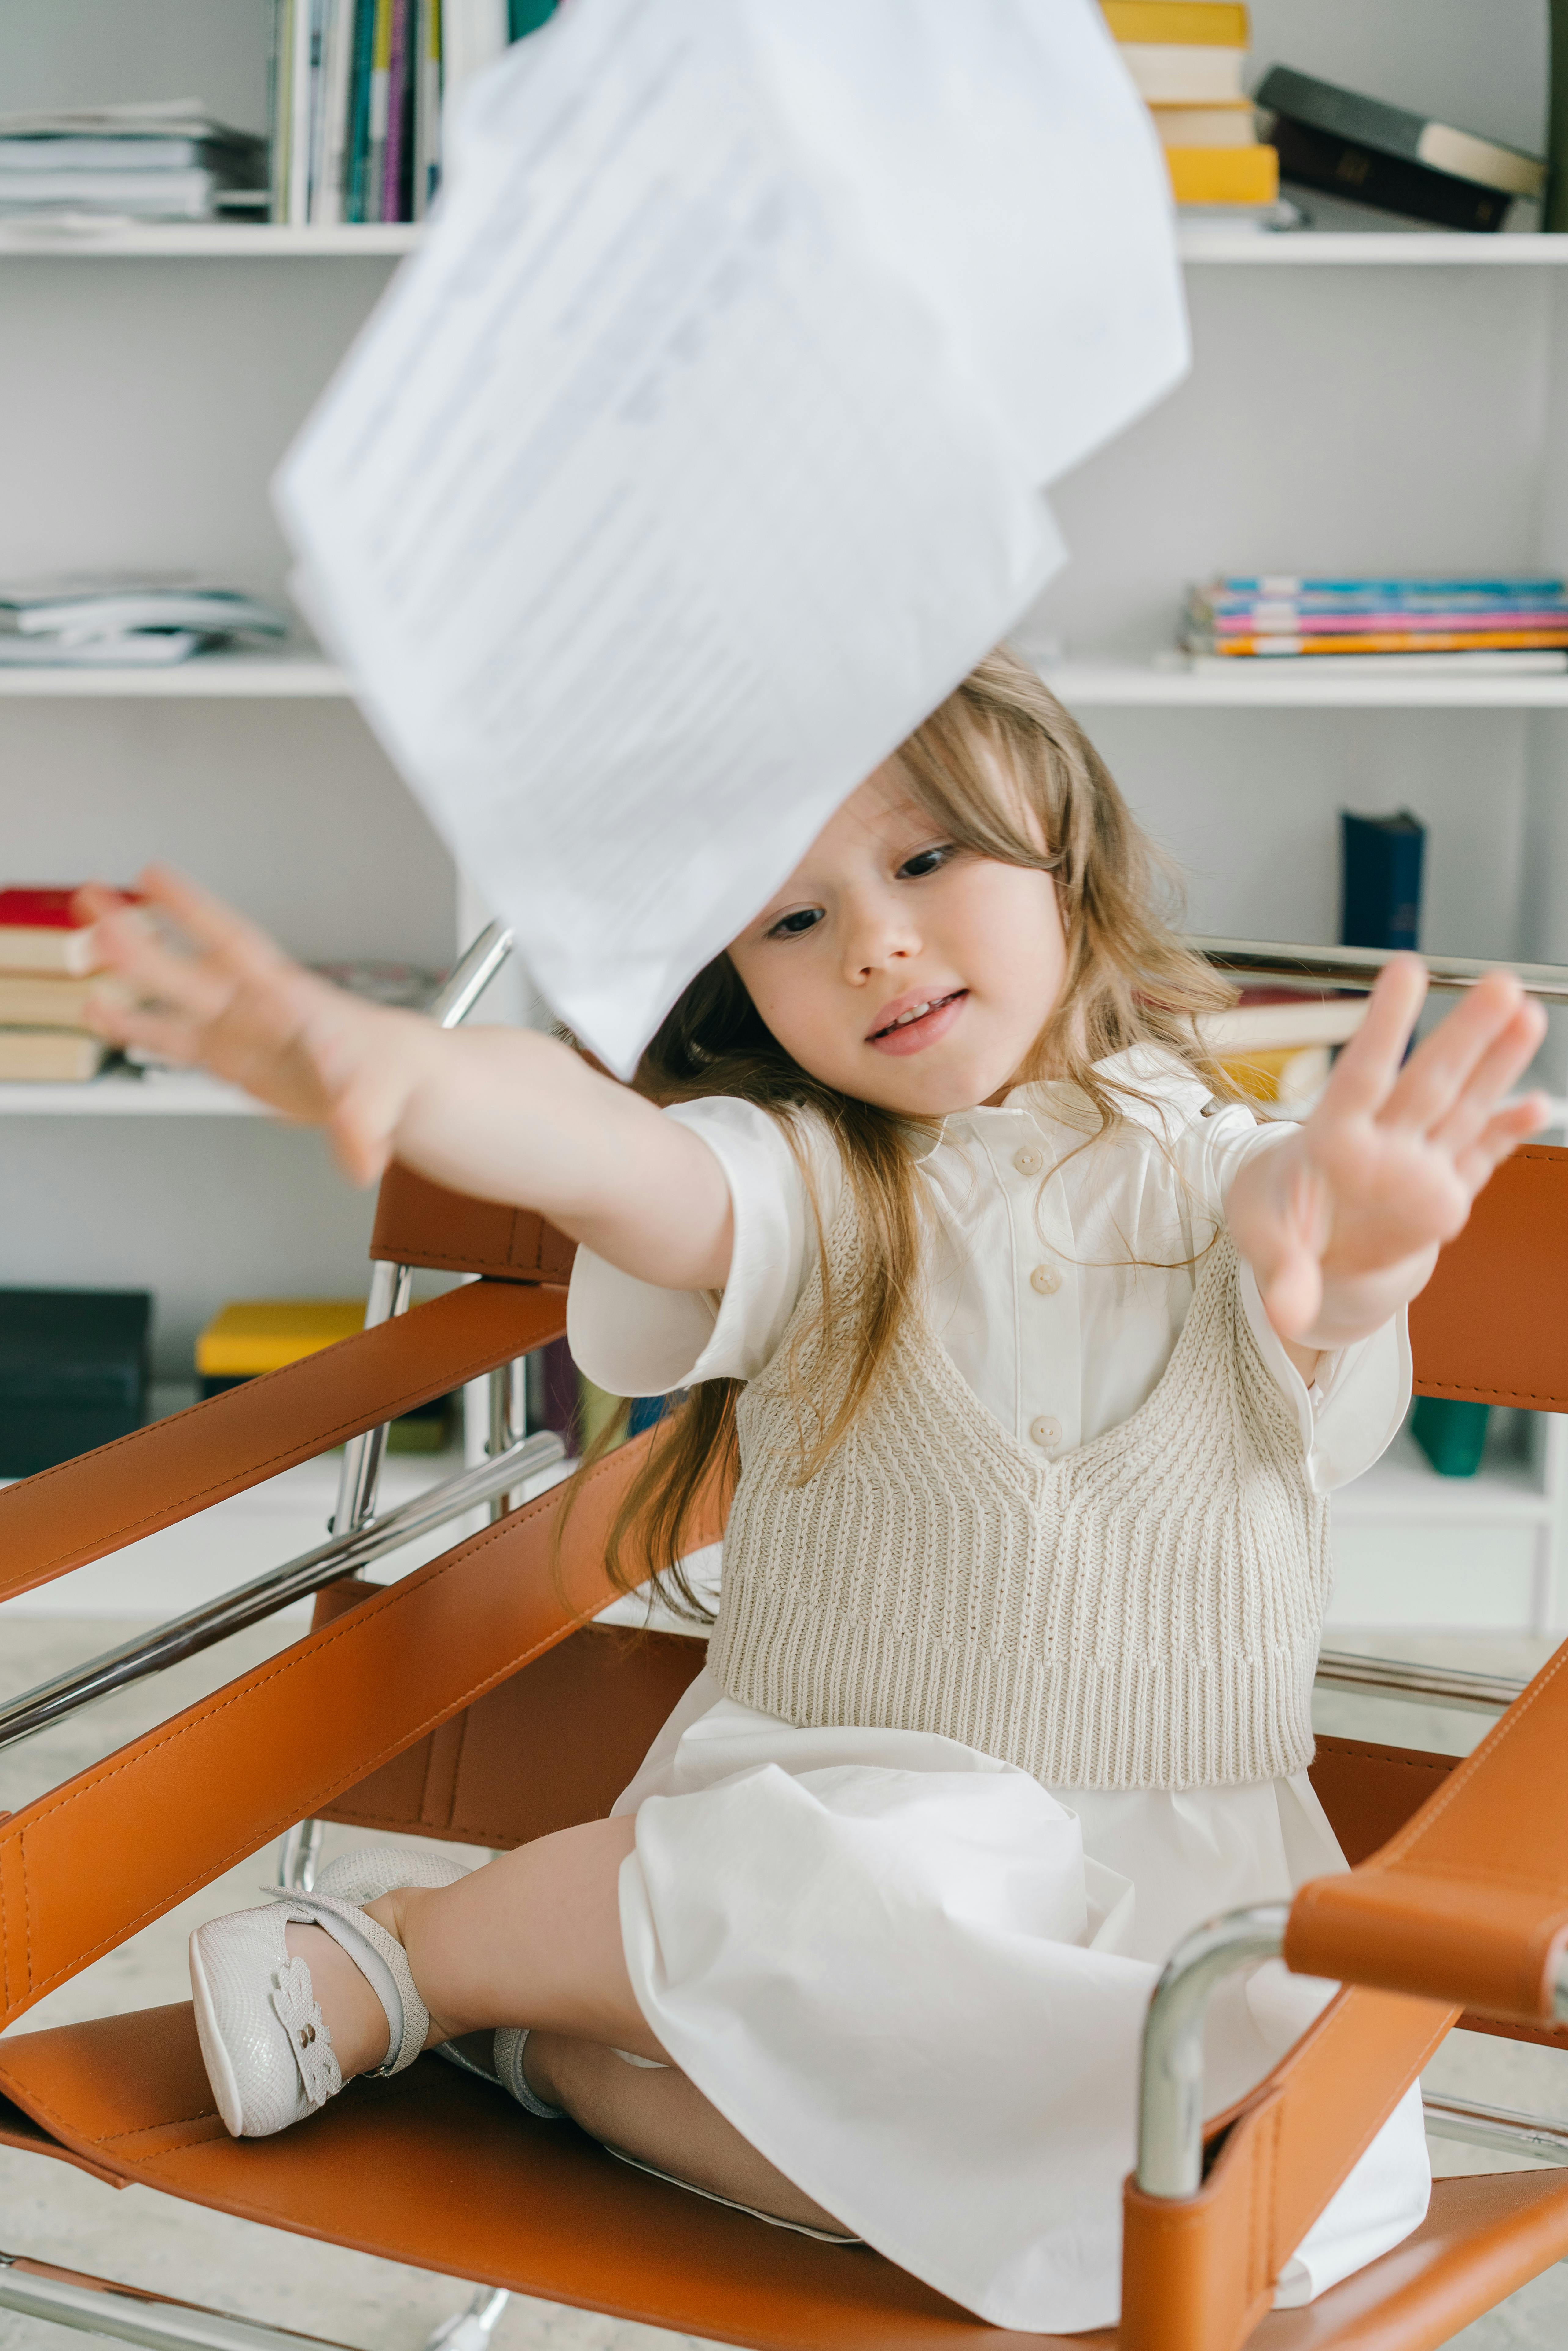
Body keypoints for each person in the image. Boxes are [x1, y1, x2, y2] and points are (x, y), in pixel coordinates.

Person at [81, 647, 1548, 2333]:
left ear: (1063, 840)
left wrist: (1357, 1267)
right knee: (912, 1885)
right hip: (855, 1810)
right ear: (742, 986)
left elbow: (1320, 1282)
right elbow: (610, 1155)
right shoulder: (806, 1185)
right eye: (788, 920)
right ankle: (422, 1952)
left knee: (1277, 2194)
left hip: (1181, 1865)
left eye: (928, 860)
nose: (874, 941)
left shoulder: (1240, 1178)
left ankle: (558, 2056)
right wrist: (407, 1074)